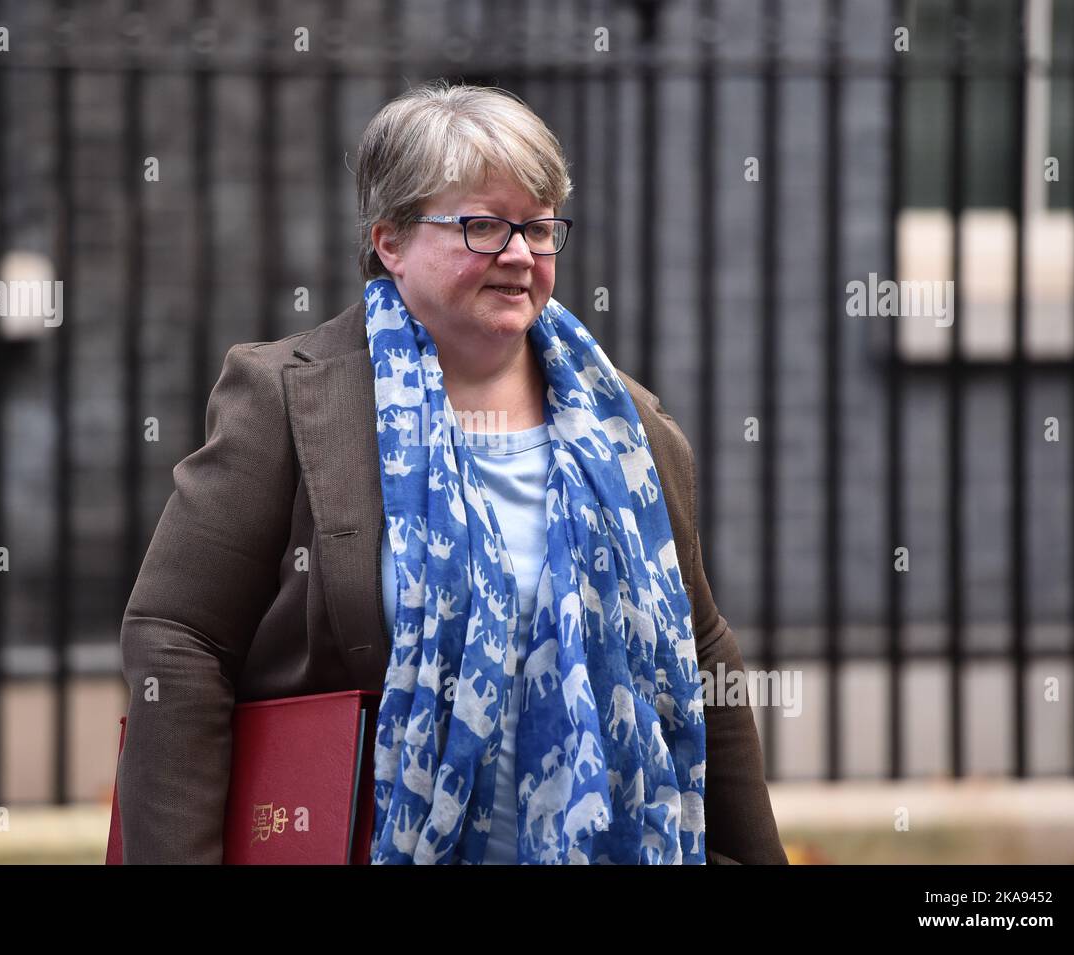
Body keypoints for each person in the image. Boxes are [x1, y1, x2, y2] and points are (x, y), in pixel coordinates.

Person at [116, 78, 786, 865]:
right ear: (390, 240)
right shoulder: (287, 400)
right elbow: (179, 635)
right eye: (481, 225)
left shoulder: (629, 428)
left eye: (538, 229)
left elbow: (702, 650)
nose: (517, 255)